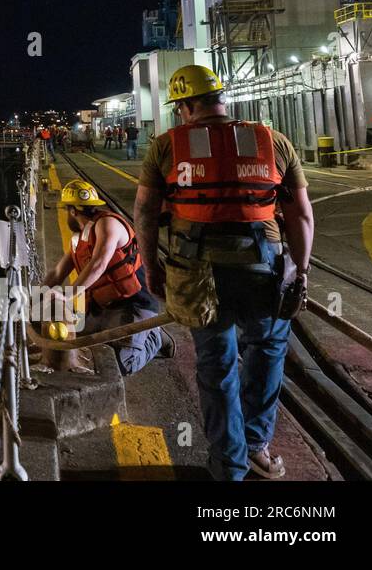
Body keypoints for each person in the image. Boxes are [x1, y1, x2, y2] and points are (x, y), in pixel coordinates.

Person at [134, 64, 313, 481]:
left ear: (188, 106)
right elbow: (301, 215)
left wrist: (151, 268)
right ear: (220, 98)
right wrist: (300, 271)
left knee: (216, 365)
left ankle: (228, 465)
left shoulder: (166, 146)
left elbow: (144, 211)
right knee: (267, 353)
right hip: (263, 270)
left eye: (180, 108)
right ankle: (255, 446)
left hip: (195, 273)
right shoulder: (273, 141)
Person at [43, 179, 167, 375]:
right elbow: (57, 273)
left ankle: (154, 337)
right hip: (104, 306)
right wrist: (36, 296)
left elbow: (99, 264)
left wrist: (67, 295)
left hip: (134, 303)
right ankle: (140, 334)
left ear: (72, 211)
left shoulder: (108, 224)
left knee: (120, 365)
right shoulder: (79, 238)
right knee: (83, 348)